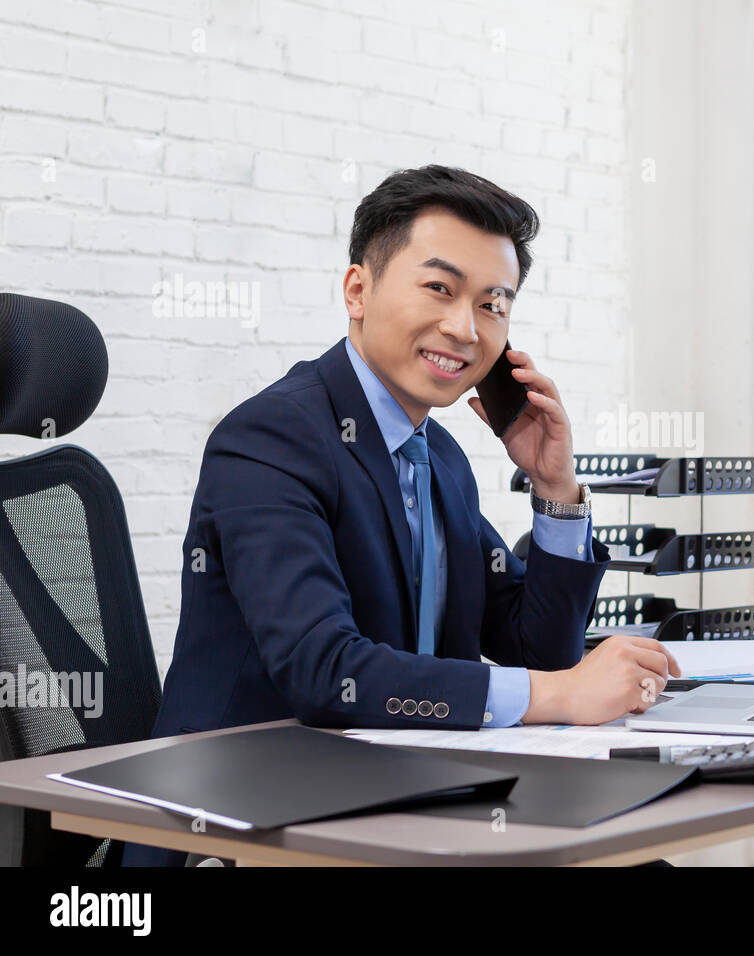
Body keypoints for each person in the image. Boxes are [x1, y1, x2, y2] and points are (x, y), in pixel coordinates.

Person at [123, 165, 680, 866]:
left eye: (492, 304)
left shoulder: (436, 456)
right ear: (357, 289)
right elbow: (326, 670)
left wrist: (555, 490)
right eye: (440, 289)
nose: (464, 328)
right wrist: (561, 694)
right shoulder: (272, 437)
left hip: (405, 799)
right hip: (251, 825)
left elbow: (536, 649)